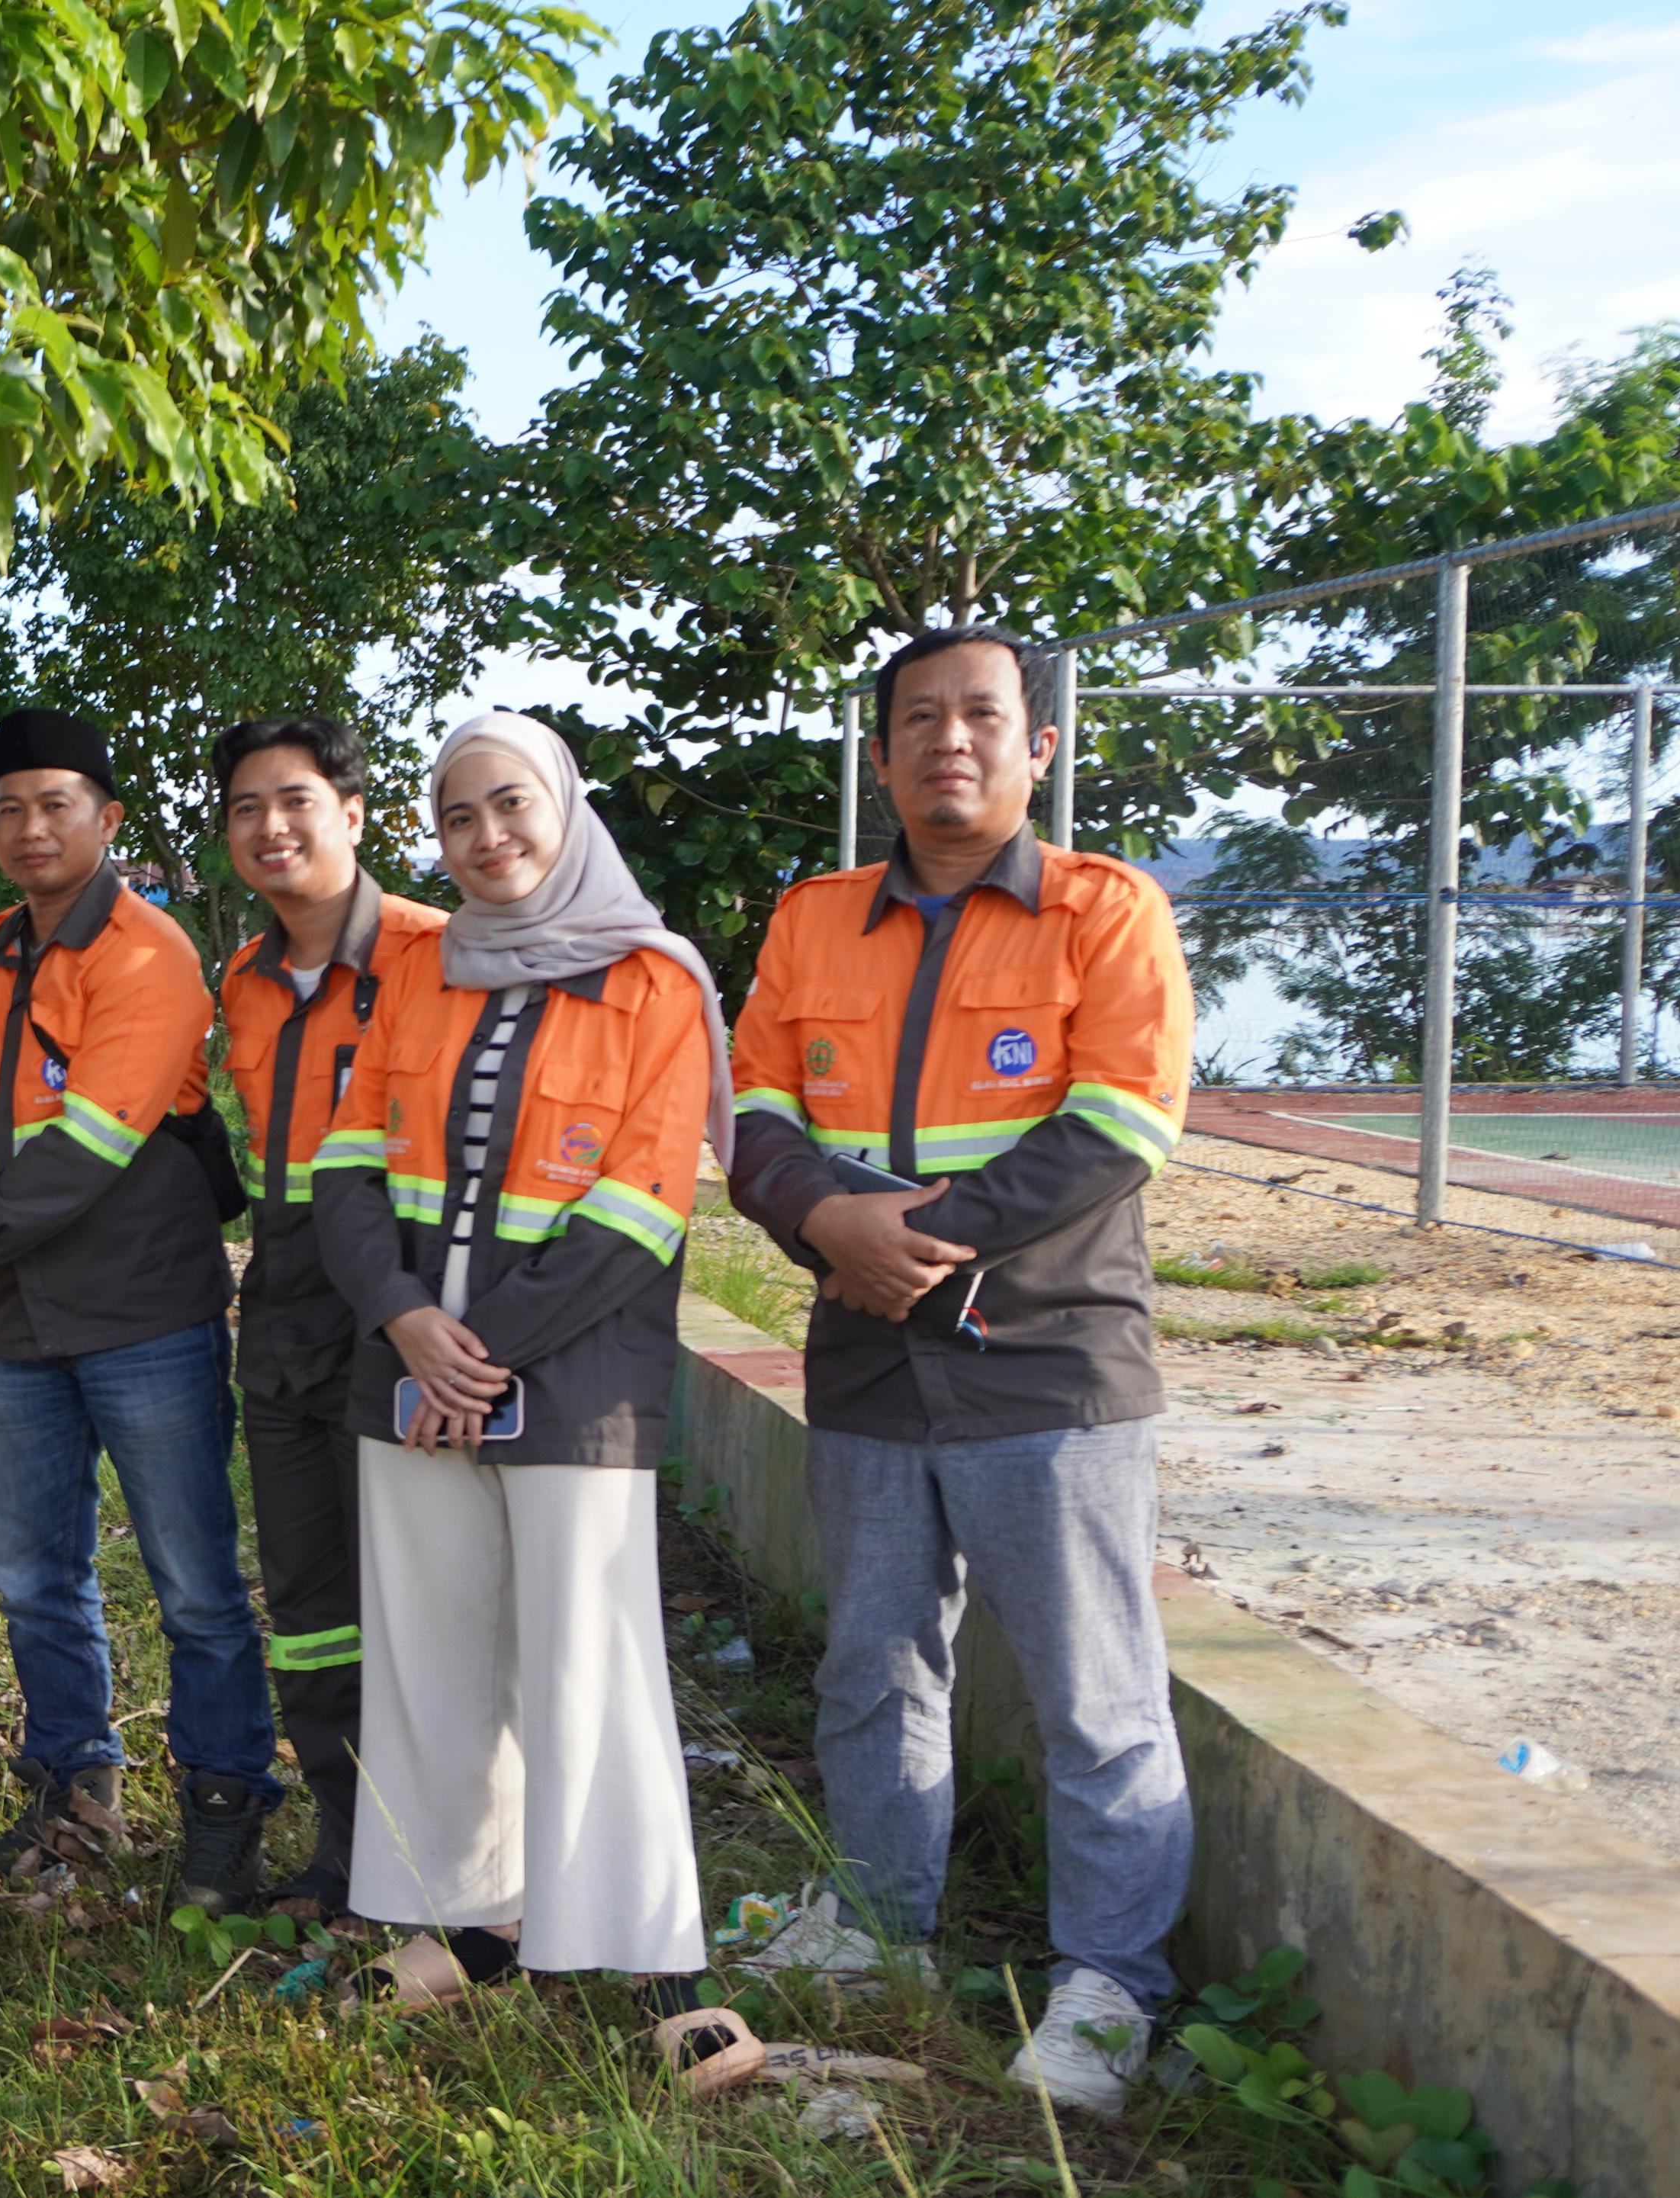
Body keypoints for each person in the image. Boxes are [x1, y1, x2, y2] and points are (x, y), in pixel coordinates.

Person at [721, 627, 1193, 2113]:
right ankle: (877, 1932)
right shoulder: (812, 920)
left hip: (1045, 1366)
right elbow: (751, 1106)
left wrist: (903, 1242)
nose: (951, 741)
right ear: (880, 754)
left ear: (1039, 745)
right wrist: (819, 1219)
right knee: (875, 1663)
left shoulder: (1107, 915)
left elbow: (1121, 1121)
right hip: (867, 1368)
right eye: (917, 718)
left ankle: (1109, 1990)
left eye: (983, 715)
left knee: (1094, 1691)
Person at [322, 710, 762, 2092]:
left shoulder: (655, 980)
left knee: (592, 1666)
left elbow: (638, 1209)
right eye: (458, 818)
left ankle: (661, 1969)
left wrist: (476, 1352)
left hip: (571, 1379)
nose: (488, 837)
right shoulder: (419, 971)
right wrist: (407, 1326)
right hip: (406, 1369)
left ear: (565, 808)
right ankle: (479, 1924)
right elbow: (343, 1170)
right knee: (435, 1655)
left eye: (511, 805)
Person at [0, 707, 276, 1909]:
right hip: (23, 1319)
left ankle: (226, 1806)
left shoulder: (149, 953)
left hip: (143, 1311)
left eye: (57, 804)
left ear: (108, 820)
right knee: (36, 1570)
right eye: (11, 807)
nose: (32, 827)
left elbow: (89, 1150)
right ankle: (74, 1792)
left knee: (192, 1578)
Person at [204, 716, 448, 1916]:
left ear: (354, 813)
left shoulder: (441, 955)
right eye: (247, 807)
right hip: (287, 1294)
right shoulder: (243, 984)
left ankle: (439, 1866)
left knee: (414, 1585)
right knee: (307, 1602)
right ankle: (348, 1851)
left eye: (294, 800)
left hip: (410, 1290)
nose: (272, 827)